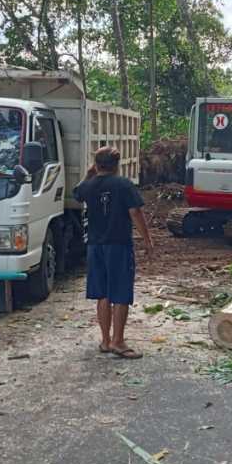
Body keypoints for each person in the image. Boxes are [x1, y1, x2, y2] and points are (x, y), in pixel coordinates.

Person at [73, 146, 154, 359]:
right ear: (116, 165)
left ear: (97, 164)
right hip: (118, 245)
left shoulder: (88, 186)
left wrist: (89, 175)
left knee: (103, 293)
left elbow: (77, 192)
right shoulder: (124, 185)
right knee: (120, 293)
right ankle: (119, 341)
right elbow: (135, 212)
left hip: (94, 246)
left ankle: (105, 341)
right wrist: (147, 239)